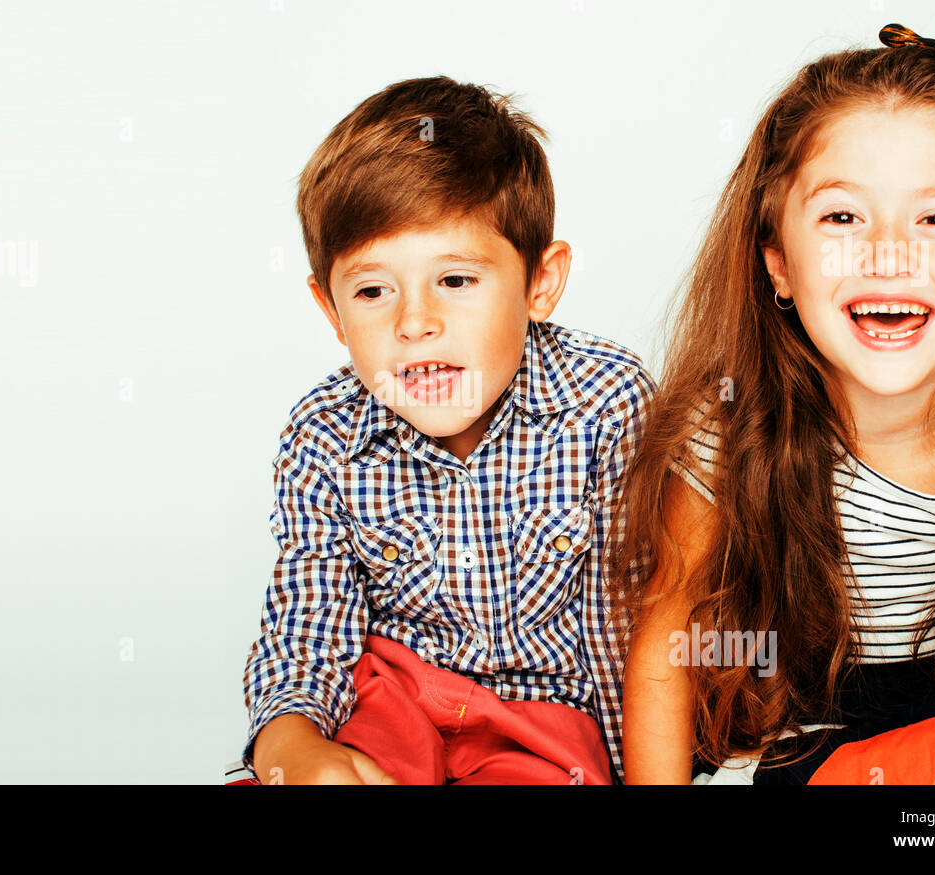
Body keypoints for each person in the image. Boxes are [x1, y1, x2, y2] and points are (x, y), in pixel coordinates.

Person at [612, 8, 935, 785]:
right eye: (842, 216)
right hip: (788, 758)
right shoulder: (726, 429)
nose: (888, 251)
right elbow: (668, 649)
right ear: (779, 264)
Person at [242, 76, 653, 784]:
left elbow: (629, 631)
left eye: (456, 281)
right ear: (330, 308)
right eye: (372, 291)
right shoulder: (323, 434)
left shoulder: (606, 403)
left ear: (540, 283)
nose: (413, 321)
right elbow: (307, 630)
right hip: (391, 702)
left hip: (543, 727)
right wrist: (292, 750)